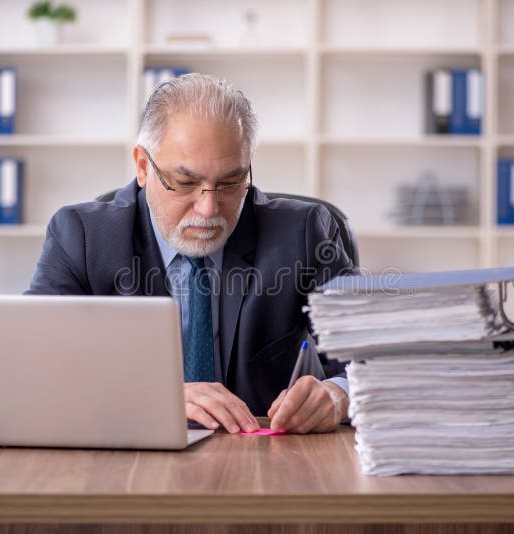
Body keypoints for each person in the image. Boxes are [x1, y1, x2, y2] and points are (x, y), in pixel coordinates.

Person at [26, 73, 354, 434]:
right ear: (142, 166)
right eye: (185, 183)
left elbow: (380, 357)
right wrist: (154, 399)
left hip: (261, 460)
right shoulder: (81, 237)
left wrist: (338, 395)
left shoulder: (303, 233)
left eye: (231, 183)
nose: (209, 208)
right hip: (128, 460)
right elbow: (34, 369)